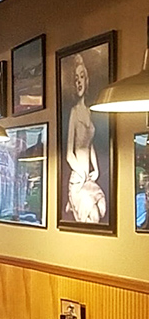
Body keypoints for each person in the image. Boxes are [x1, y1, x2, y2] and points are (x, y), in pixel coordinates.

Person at [65, 53, 107, 225]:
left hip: (88, 178)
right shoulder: (74, 112)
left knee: (103, 207)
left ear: (87, 80)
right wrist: (81, 173)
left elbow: (89, 146)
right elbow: (69, 153)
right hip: (77, 178)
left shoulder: (89, 112)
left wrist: (96, 169)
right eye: (76, 79)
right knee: (94, 216)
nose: (79, 81)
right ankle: (72, 202)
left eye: (82, 77)